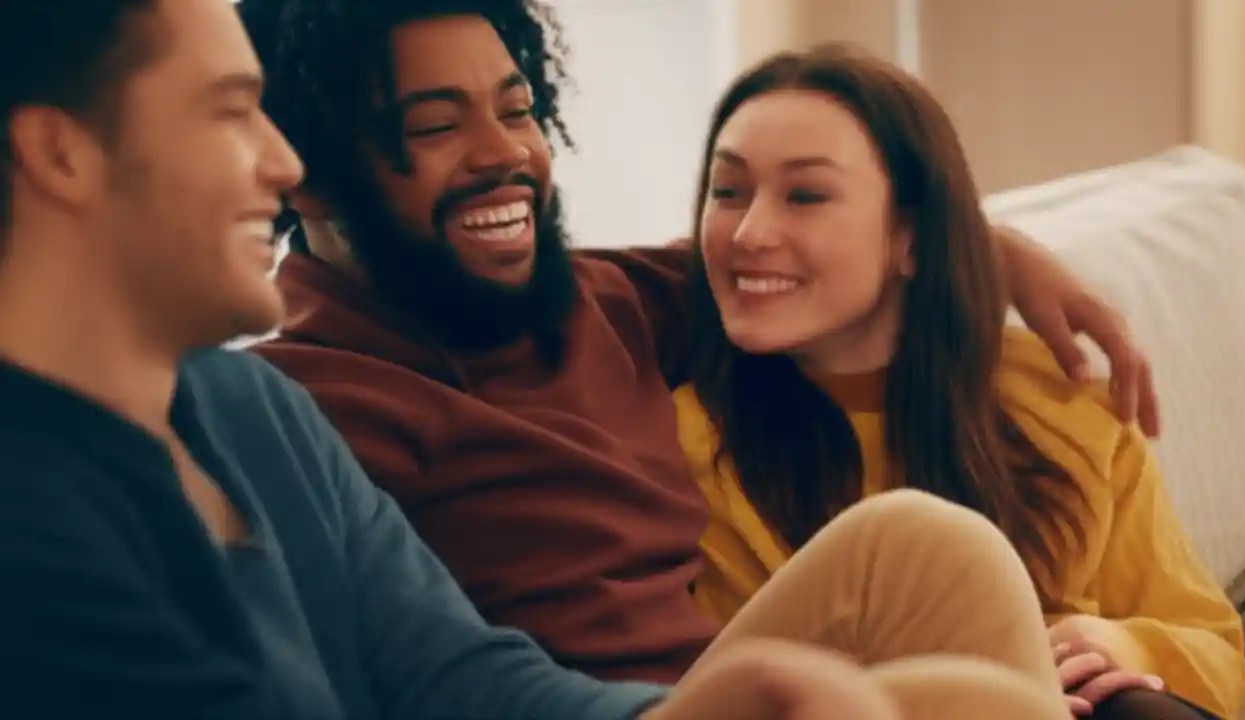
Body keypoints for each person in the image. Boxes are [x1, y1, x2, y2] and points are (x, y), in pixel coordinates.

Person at [0, 2, 1076, 718]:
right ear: (59, 152)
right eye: (232, 117)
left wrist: (974, 245)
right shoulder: (291, 403)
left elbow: (457, 672)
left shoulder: (250, 414)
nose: (275, 164)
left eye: (517, 109)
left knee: (931, 566)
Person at [243, 0, 1162, 693]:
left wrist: (996, 254)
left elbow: (798, 257)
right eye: (437, 127)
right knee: (913, 547)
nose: (506, 154)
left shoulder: (607, 303)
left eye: (517, 110)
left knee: (978, 690)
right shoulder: (296, 408)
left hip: (717, 699)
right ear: (310, 180)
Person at [674, 46, 1245, 720]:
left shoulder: (1061, 404)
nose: (748, 232)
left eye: (805, 195)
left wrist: (1122, 645)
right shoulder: (685, 444)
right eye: (728, 191)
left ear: (912, 235)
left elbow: (1215, 646)